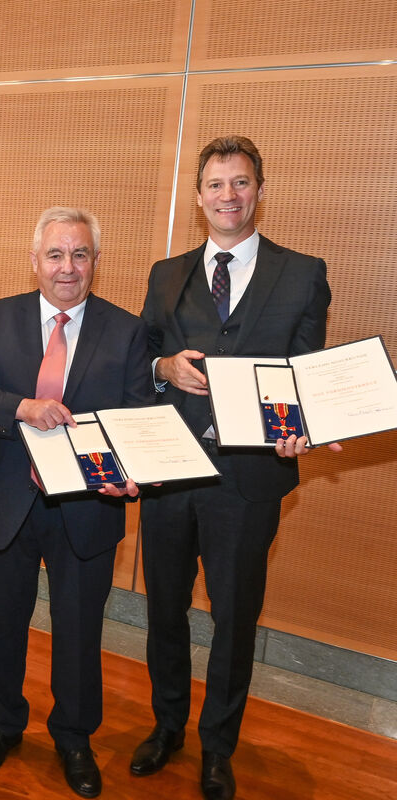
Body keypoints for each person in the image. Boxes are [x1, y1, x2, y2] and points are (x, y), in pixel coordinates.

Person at [133, 135, 333, 800]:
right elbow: (141, 361)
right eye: (216, 184)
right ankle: (167, 728)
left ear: (259, 190)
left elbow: (303, 376)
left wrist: (298, 427)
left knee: (234, 616)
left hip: (249, 483)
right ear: (198, 196)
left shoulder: (302, 273)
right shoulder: (166, 273)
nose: (228, 196)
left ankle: (218, 745)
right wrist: (162, 368)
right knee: (163, 609)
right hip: (169, 471)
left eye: (241, 183)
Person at [0, 207, 154, 799]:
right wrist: (21, 407)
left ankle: (73, 737)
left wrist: (133, 473)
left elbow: (139, 419)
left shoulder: (126, 330)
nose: (67, 267)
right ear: (34, 259)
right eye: (56, 254)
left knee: (78, 631)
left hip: (89, 509)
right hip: (6, 501)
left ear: (96, 261)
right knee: (2, 623)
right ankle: (2, 724)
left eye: (80, 255)